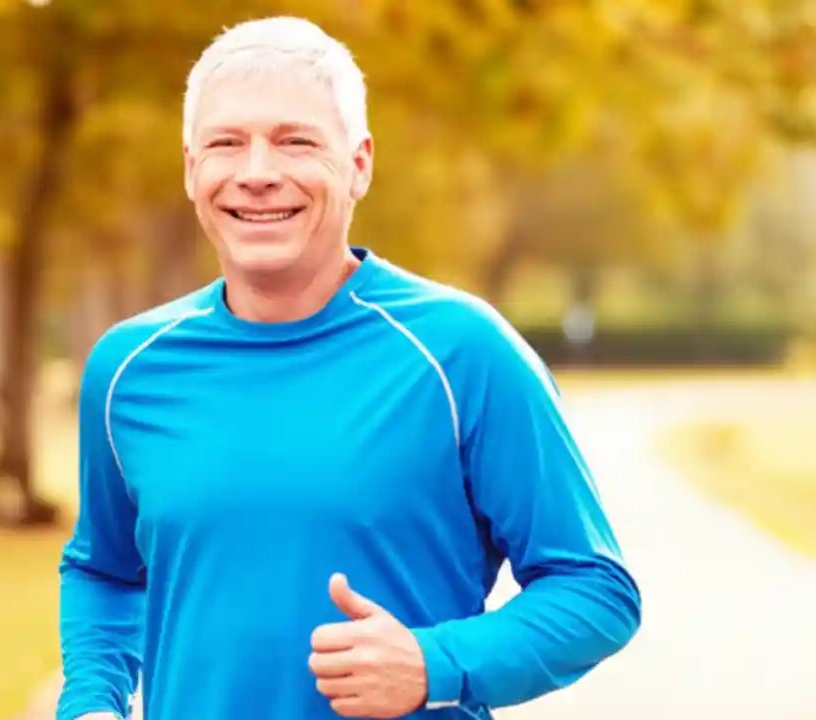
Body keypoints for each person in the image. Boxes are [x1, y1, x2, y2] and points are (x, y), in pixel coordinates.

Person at [56, 16, 641, 720]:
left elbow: (595, 589)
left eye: (296, 141)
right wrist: (92, 700)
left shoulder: (462, 353)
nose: (258, 173)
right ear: (191, 168)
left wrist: (436, 665)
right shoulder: (127, 371)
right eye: (226, 144)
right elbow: (103, 570)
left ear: (359, 163)